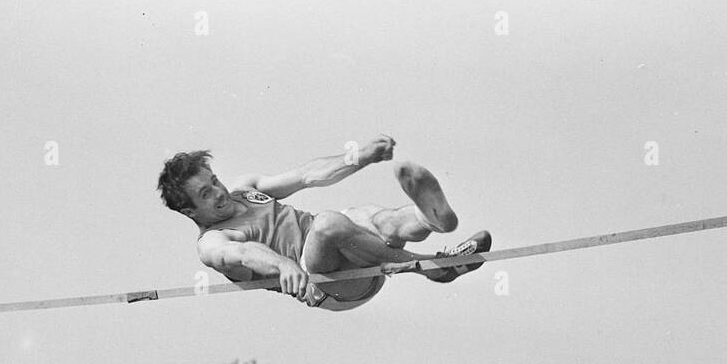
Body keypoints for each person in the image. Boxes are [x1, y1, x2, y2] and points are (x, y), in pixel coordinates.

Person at [157, 142, 491, 311]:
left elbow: (305, 176)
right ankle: (432, 266)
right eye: (206, 193)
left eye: (214, 181)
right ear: (188, 210)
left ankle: (427, 219)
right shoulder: (212, 243)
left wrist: (358, 157)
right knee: (329, 224)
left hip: (347, 246)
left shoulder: (244, 189)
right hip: (327, 283)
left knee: (376, 219)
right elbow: (243, 254)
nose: (219, 192)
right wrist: (282, 265)